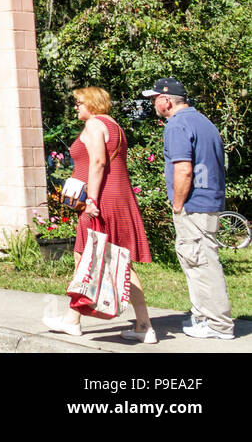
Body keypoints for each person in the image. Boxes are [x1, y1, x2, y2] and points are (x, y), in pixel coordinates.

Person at [44, 87, 155, 343]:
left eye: (79, 102)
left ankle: (75, 321)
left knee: (84, 255)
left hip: (101, 199)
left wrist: (91, 199)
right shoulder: (115, 125)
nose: (76, 107)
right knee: (117, 259)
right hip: (119, 196)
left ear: (92, 104)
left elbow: (98, 163)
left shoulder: (95, 124)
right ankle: (142, 325)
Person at [146, 77, 234, 339]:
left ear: (166, 100)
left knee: (202, 263)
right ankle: (203, 317)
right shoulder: (203, 121)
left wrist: (177, 205)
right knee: (199, 259)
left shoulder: (177, 125)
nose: (153, 104)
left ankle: (219, 324)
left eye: (154, 99)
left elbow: (183, 170)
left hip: (194, 205)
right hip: (209, 200)